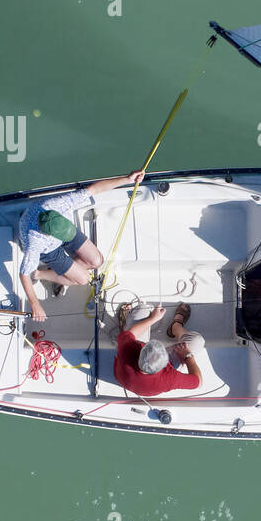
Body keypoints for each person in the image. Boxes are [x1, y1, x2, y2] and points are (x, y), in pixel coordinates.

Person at [18, 169, 145, 321]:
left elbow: (94, 189)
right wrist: (35, 304)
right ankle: (39, 274)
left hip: (66, 232)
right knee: (83, 279)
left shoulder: (59, 204)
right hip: (49, 250)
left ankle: (64, 271)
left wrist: (127, 179)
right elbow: (23, 274)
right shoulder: (35, 242)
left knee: (97, 261)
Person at [113, 301, 205, 397]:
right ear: (166, 364)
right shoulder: (169, 378)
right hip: (159, 376)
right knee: (197, 342)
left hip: (127, 376)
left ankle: (125, 325)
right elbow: (199, 382)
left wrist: (154, 318)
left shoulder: (126, 349)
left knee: (142, 309)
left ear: (142, 350)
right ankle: (176, 326)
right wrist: (188, 357)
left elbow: (129, 335)